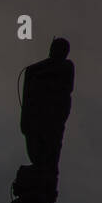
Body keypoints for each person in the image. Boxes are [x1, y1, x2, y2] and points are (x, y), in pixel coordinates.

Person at [21, 38, 75, 170]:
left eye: (58, 48)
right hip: (38, 113)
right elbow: (30, 71)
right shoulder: (41, 69)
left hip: (53, 114)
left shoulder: (66, 65)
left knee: (50, 143)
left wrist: (38, 74)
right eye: (54, 48)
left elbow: (61, 77)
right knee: (35, 139)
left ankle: (45, 168)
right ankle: (39, 166)